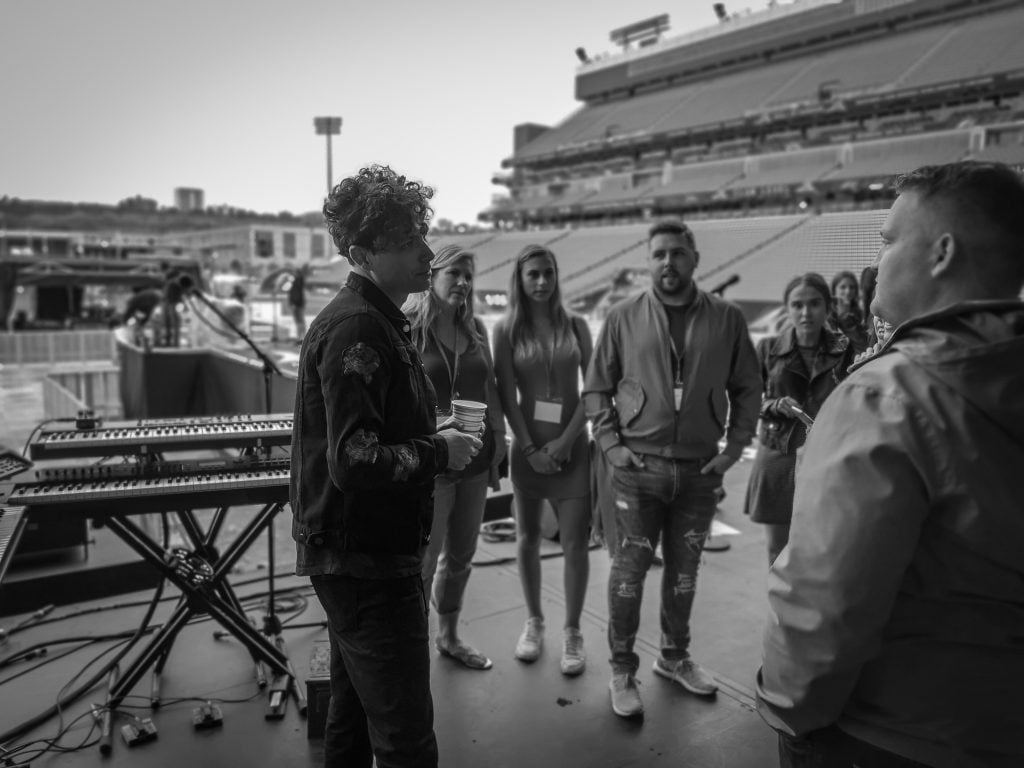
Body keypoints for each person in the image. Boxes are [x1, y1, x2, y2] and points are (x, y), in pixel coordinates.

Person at [757, 160, 1024, 768]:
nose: (877, 260)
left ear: (941, 253)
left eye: (889, 240)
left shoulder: (885, 395)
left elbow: (826, 604)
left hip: (888, 731)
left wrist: (785, 710)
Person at [290, 165, 482, 768]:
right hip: (367, 564)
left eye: (420, 236)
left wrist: (431, 433)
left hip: (357, 557)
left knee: (349, 722)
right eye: (406, 243)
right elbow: (354, 459)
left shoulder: (375, 319)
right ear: (362, 253)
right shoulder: (360, 328)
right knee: (405, 742)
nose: (426, 252)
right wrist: (438, 450)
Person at [583, 217, 761, 718]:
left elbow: (749, 386)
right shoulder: (622, 316)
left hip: (700, 472)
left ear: (695, 259)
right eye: (659, 253)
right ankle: (622, 668)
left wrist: (732, 451)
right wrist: (611, 444)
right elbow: (597, 385)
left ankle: (674, 657)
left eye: (677, 253)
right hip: (637, 469)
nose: (668, 262)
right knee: (628, 574)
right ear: (648, 260)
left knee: (684, 575)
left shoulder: (726, 319)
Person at [402, 244, 507, 671]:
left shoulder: (476, 326)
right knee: (426, 559)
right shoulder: (410, 328)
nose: (463, 283)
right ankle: (414, 647)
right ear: (432, 276)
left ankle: (448, 636)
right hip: (436, 462)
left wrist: (500, 435)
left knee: (462, 555)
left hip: (477, 460)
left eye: (469, 276)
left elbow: (489, 387)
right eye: (455, 274)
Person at [492, 245, 593, 675]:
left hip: (573, 451)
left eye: (548, 273)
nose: (541, 282)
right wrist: (530, 448)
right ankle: (534, 621)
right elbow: (506, 396)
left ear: (556, 276)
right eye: (533, 274)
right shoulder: (507, 330)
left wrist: (568, 442)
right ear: (521, 279)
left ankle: (572, 631)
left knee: (575, 544)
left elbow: (594, 390)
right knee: (527, 538)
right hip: (528, 452)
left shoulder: (577, 325)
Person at [742, 273, 854, 565]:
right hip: (779, 454)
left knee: (821, 545)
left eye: (815, 303)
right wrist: (776, 404)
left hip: (826, 455)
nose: (806, 313)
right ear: (787, 308)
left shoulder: (847, 350)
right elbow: (748, 400)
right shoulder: (767, 349)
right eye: (797, 304)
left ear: (828, 307)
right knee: (776, 548)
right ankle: (779, 610)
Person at [828, 270, 867, 352]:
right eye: (843, 287)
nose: (848, 291)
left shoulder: (858, 313)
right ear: (834, 290)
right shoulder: (828, 315)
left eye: (852, 287)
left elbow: (863, 344)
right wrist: (844, 317)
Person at [288, 263, 309, 342]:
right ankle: (301, 337)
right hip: (298, 303)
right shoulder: (298, 281)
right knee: (300, 320)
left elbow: (295, 294)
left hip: (297, 304)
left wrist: (294, 303)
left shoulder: (297, 281)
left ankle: (300, 338)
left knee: (299, 321)